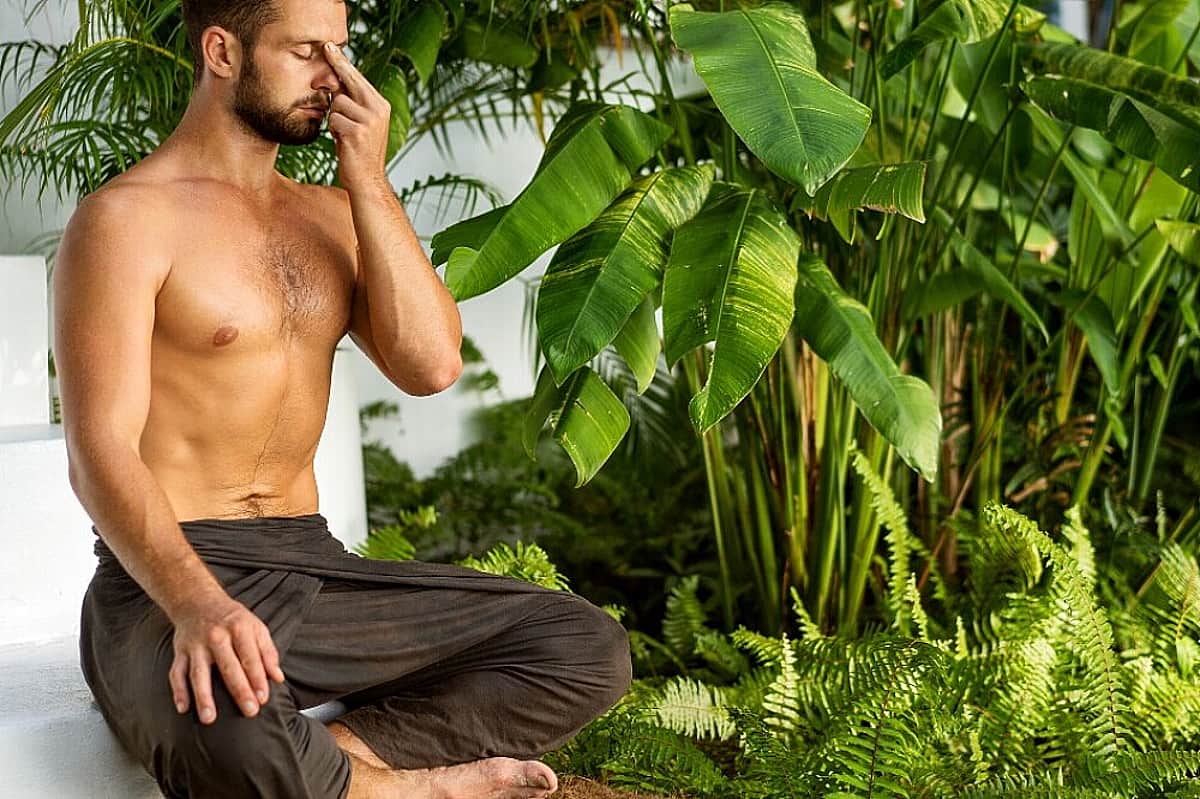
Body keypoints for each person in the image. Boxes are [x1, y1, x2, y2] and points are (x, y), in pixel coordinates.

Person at [52, 0, 633, 796]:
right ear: (222, 52)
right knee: (230, 732)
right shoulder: (125, 222)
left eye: (343, 49)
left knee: (583, 646)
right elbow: (99, 454)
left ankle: (350, 763)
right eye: (306, 52)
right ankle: (409, 790)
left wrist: (367, 177)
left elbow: (431, 364)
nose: (337, 78)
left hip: (314, 570)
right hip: (169, 579)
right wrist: (198, 606)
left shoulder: (330, 215)